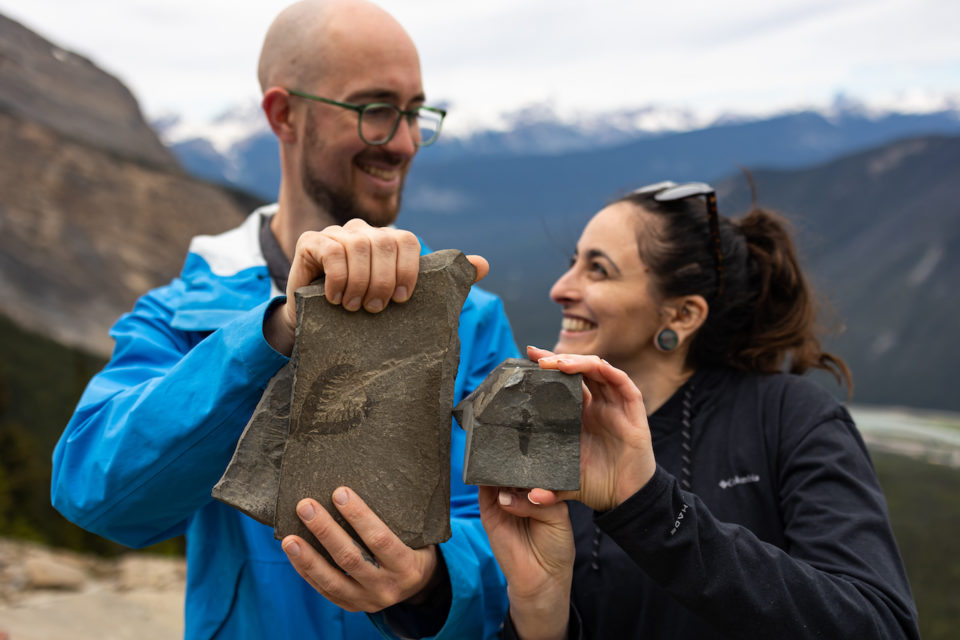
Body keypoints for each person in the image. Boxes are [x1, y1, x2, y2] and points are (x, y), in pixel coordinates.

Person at [51, 1, 517, 638]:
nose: (405, 142)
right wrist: (274, 332)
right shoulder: (181, 314)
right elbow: (94, 491)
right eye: (376, 110)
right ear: (284, 113)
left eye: (414, 112)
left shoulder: (471, 319)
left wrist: (433, 580)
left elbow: (514, 534)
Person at [479, 181, 920, 639]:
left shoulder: (788, 417)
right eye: (573, 263)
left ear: (683, 315)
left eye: (598, 270)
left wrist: (648, 507)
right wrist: (539, 612)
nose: (559, 289)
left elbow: (881, 625)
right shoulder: (561, 433)